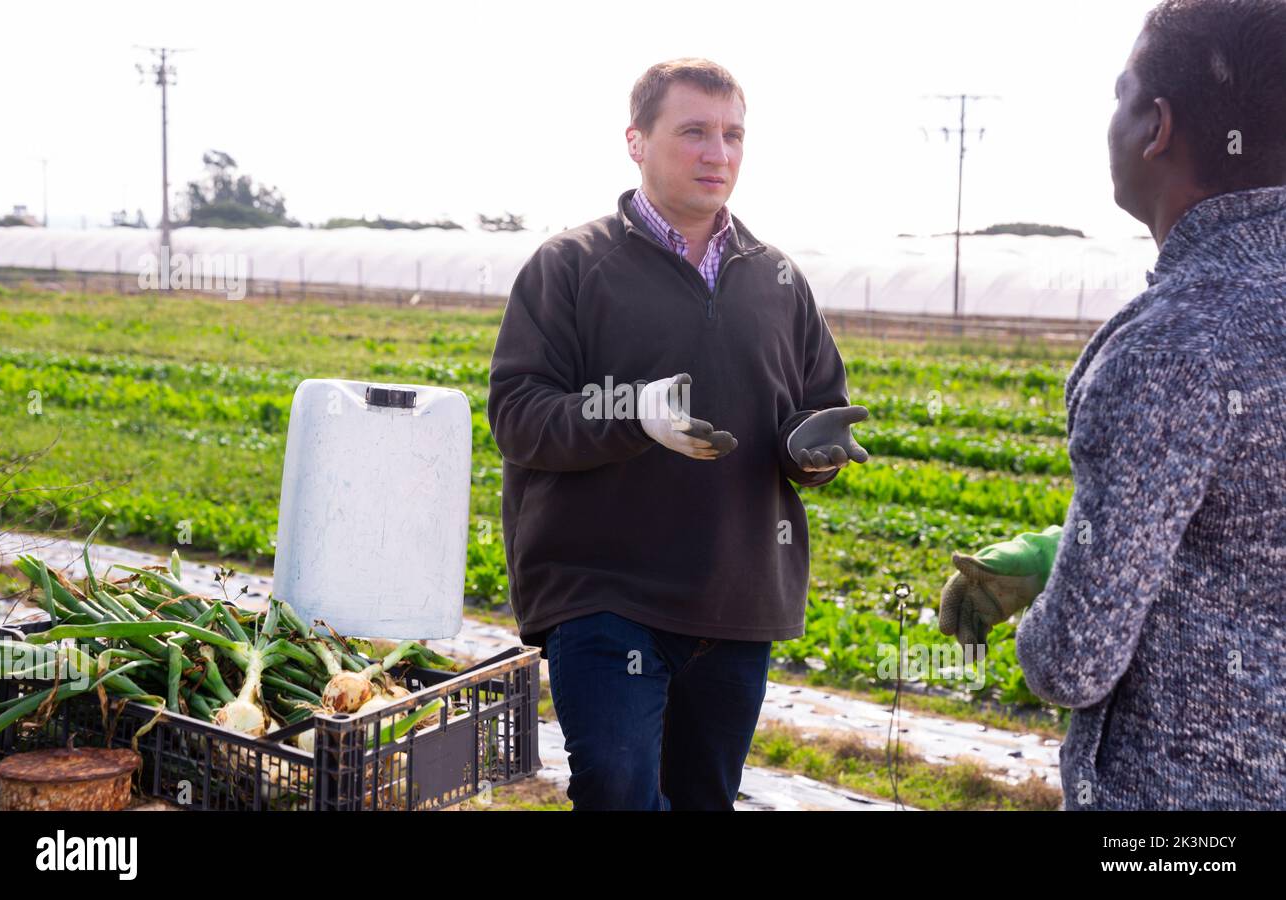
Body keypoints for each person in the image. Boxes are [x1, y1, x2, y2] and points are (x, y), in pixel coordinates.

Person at [487, 58, 869, 810]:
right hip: (602, 590)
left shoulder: (779, 281)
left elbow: (817, 408)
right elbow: (519, 416)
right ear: (636, 139)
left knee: (703, 798)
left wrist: (813, 451)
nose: (717, 153)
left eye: (732, 135)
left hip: (736, 596)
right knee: (620, 788)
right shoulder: (569, 267)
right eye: (693, 131)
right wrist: (632, 416)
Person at [938, 0, 1286, 809]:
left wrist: (1046, 606)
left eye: (1121, 94)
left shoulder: (1172, 342)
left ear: (1156, 127)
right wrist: (1068, 546)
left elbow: (1075, 659)